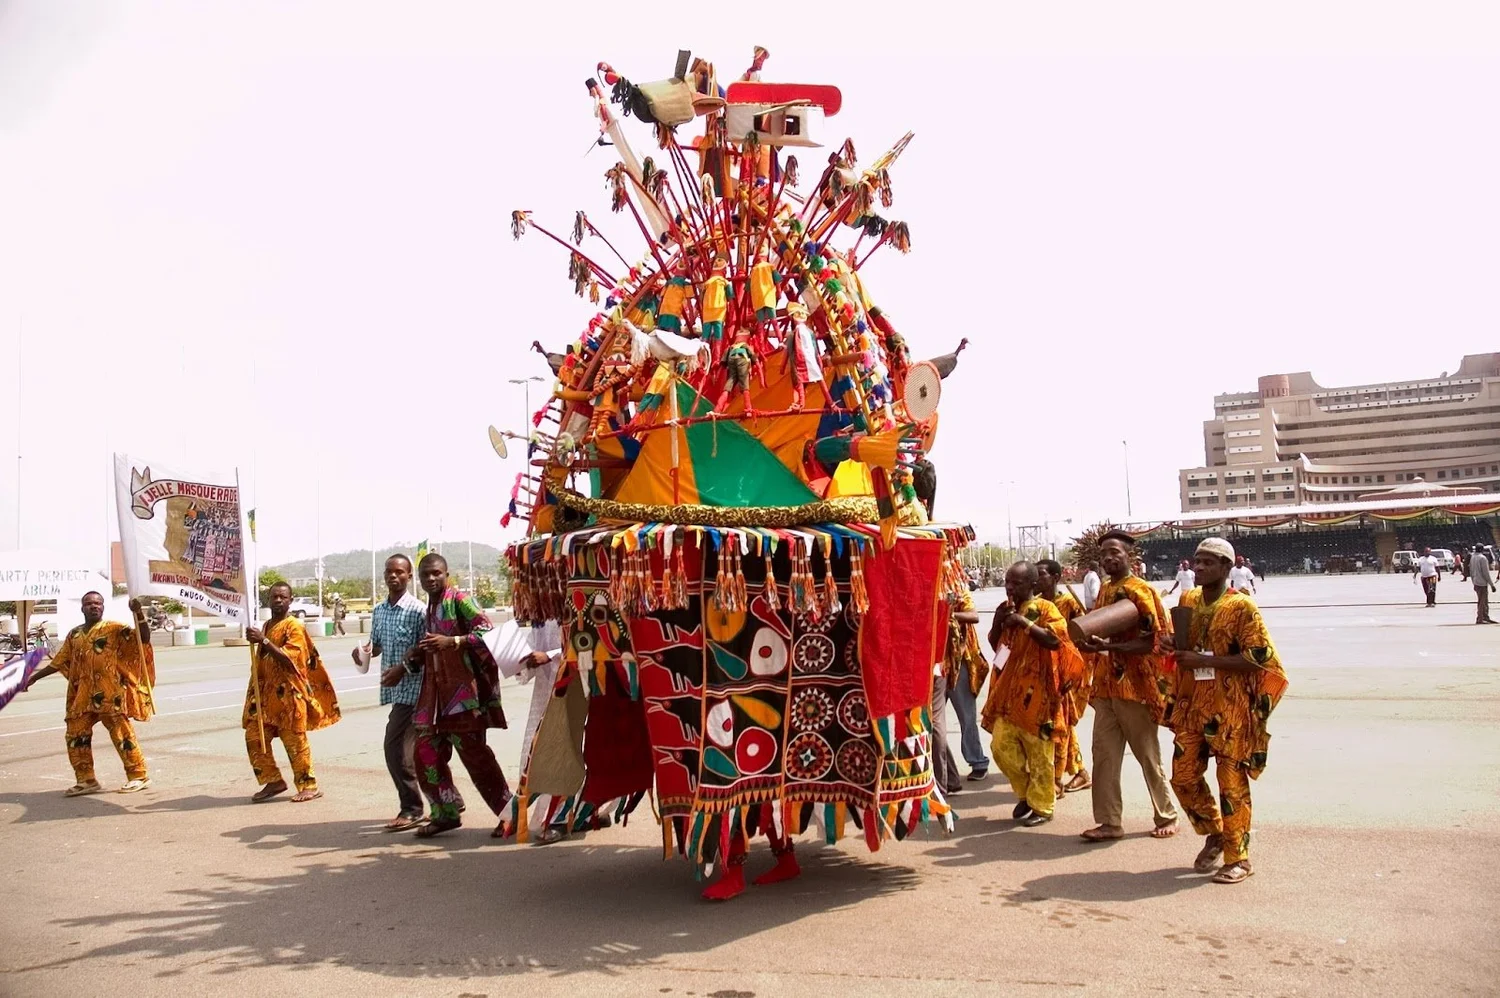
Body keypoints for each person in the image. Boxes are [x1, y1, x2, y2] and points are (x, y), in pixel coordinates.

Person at [1161, 537, 1289, 884]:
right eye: (1197, 561)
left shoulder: (1242, 607)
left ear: (1227, 567)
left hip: (1230, 707)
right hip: (1192, 706)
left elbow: (1260, 658)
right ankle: (1214, 831)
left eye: (1208, 562)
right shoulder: (1188, 598)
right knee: (1182, 776)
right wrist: (1172, 643)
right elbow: (1184, 641)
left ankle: (1238, 857)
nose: (1199, 567)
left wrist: (1205, 660)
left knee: (1231, 783)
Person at [1075, 531, 1179, 842]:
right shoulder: (1106, 589)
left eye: (1114, 553)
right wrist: (1097, 647)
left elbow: (1154, 640)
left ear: (1129, 557)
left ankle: (1167, 813)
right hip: (1107, 687)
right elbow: (1104, 636)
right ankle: (1109, 822)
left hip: (1134, 687)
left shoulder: (1140, 592)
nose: (1108, 559)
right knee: (1104, 755)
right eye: (1104, 554)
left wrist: (1113, 648)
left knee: (1147, 754)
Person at [410, 553, 513, 838]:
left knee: (477, 759)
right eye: (426, 575)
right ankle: (445, 812)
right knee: (425, 753)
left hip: (464, 698)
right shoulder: (430, 607)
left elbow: (487, 633)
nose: (431, 579)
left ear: (446, 573)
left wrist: (452, 641)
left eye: (436, 573)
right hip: (436, 699)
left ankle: (510, 815)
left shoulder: (459, 600)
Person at [24, 592, 155, 796]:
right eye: (89, 603)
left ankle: (138, 775)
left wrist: (138, 613)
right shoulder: (74, 635)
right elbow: (59, 661)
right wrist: (34, 677)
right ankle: (86, 780)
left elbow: (143, 638)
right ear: (82, 608)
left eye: (98, 603)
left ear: (103, 607)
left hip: (110, 693)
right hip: (82, 695)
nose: (94, 606)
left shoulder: (114, 629)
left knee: (122, 735)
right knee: (75, 733)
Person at [980, 562, 1071, 826]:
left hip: (1039, 695)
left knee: (1040, 755)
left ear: (1032, 585)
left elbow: (1056, 641)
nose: (1010, 587)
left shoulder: (1046, 609)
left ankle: (1043, 807)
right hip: (1008, 693)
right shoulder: (1005, 609)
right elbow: (995, 643)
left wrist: (1024, 623)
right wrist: (1000, 620)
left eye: (1016, 583)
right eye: (1008, 581)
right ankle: (1026, 794)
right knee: (1000, 747)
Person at [244, 582, 341, 802]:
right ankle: (273, 780)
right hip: (266, 696)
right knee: (254, 736)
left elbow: (291, 660)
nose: (278, 600)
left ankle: (308, 785)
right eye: (274, 597)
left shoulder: (294, 626)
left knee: (295, 742)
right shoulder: (267, 625)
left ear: (290, 600)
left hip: (290, 695)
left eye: (282, 597)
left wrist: (264, 641)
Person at [361, 555, 429, 831]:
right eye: (389, 572)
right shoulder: (379, 610)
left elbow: (426, 650)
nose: (393, 576)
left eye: (399, 572)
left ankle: (412, 808)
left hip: (416, 690)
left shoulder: (418, 611)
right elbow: (376, 645)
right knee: (414, 752)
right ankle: (441, 804)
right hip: (395, 691)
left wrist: (402, 668)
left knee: (395, 747)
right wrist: (364, 652)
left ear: (409, 576)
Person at [1037, 559, 1092, 795]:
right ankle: (1079, 771)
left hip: (1069, 674)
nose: (1037, 579)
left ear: (1056, 577)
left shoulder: (1068, 603)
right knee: (1062, 724)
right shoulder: (1036, 604)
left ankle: (1059, 777)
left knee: (1063, 724)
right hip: (1046, 675)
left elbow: (1083, 636)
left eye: (1042, 575)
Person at [944, 586, 990, 782]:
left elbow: (973, 615)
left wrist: (944, 614)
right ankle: (944, 771)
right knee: (930, 722)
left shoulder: (955, 587)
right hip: (934, 662)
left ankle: (978, 761)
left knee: (966, 716)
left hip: (959, 659)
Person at [1468, 545, 1495, 624]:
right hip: (1482, 583)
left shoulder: (1472, 557)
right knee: (1482, 601)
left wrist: (1473, 581)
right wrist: (1492, 585)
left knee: (1484, 601)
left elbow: (1471, 571)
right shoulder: (1482, 558)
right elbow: (1486, 573)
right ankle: (1480, 618)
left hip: (1476, 582)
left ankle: (1485, 616)